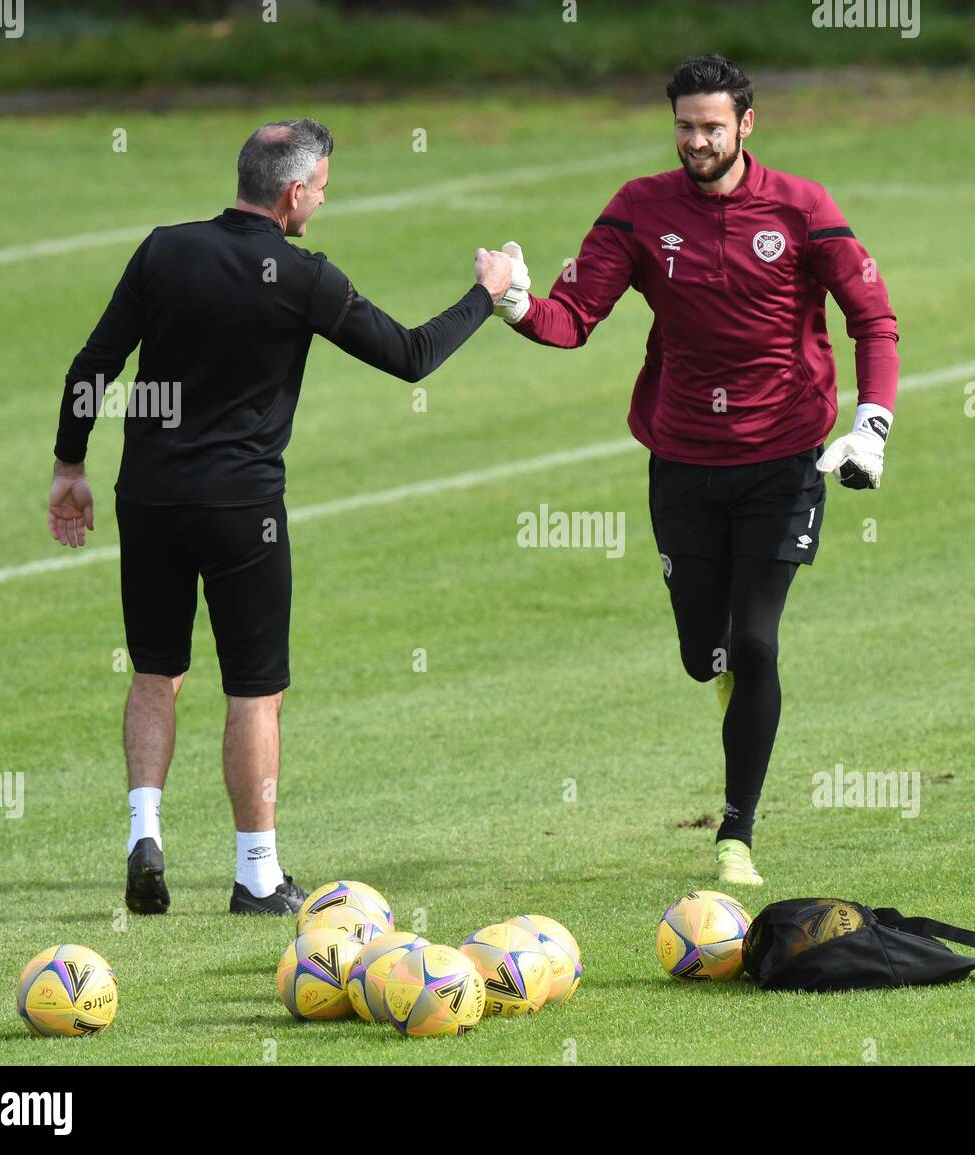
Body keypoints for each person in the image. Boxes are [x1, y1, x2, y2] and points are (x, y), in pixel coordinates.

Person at [47, 118, 516, 915]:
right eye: (322, 189)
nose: (322, 201)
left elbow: (93, 365)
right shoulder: (304, 277)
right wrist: (489, 291)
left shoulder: (165, 248)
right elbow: (409, 356)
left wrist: (69, 466)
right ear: (293, 193)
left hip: (150, 497)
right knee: (254, 692)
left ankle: (143, 831)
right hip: (243, 510)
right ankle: (257, 873)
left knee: (157, 671)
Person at [491, 56, 899, 885]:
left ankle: (736, 833)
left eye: (713, 126)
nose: (697, 141)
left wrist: (871, 426)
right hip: (680, 461)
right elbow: (574, 320)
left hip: (782, 460)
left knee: (755, 641)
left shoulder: (802, 206)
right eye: (685, 126)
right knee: (700, 653)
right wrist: (514, 302)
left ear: (747, 124)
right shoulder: (640, 210)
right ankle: (725, 688)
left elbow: (872, 317)